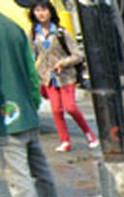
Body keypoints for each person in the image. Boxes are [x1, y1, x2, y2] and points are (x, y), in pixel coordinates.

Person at [0, 13, 70, 197]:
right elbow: (32, 71)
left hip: (6, 119)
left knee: (17, 177)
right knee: (40, 171)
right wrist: (32, 104)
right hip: (26, 111)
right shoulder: (12, 27)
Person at [28, 0, 98, 153]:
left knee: (70, 107)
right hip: (47, 78)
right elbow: (31, 55)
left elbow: (77, 55)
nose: (41, 13)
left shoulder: (60, 32)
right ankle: (65, 141)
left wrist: (63, 63)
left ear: (50, 11)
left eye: (44, 10)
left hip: (65, 76)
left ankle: (89, 134)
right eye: (37, 10)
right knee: (56, 110)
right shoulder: (33, 33)